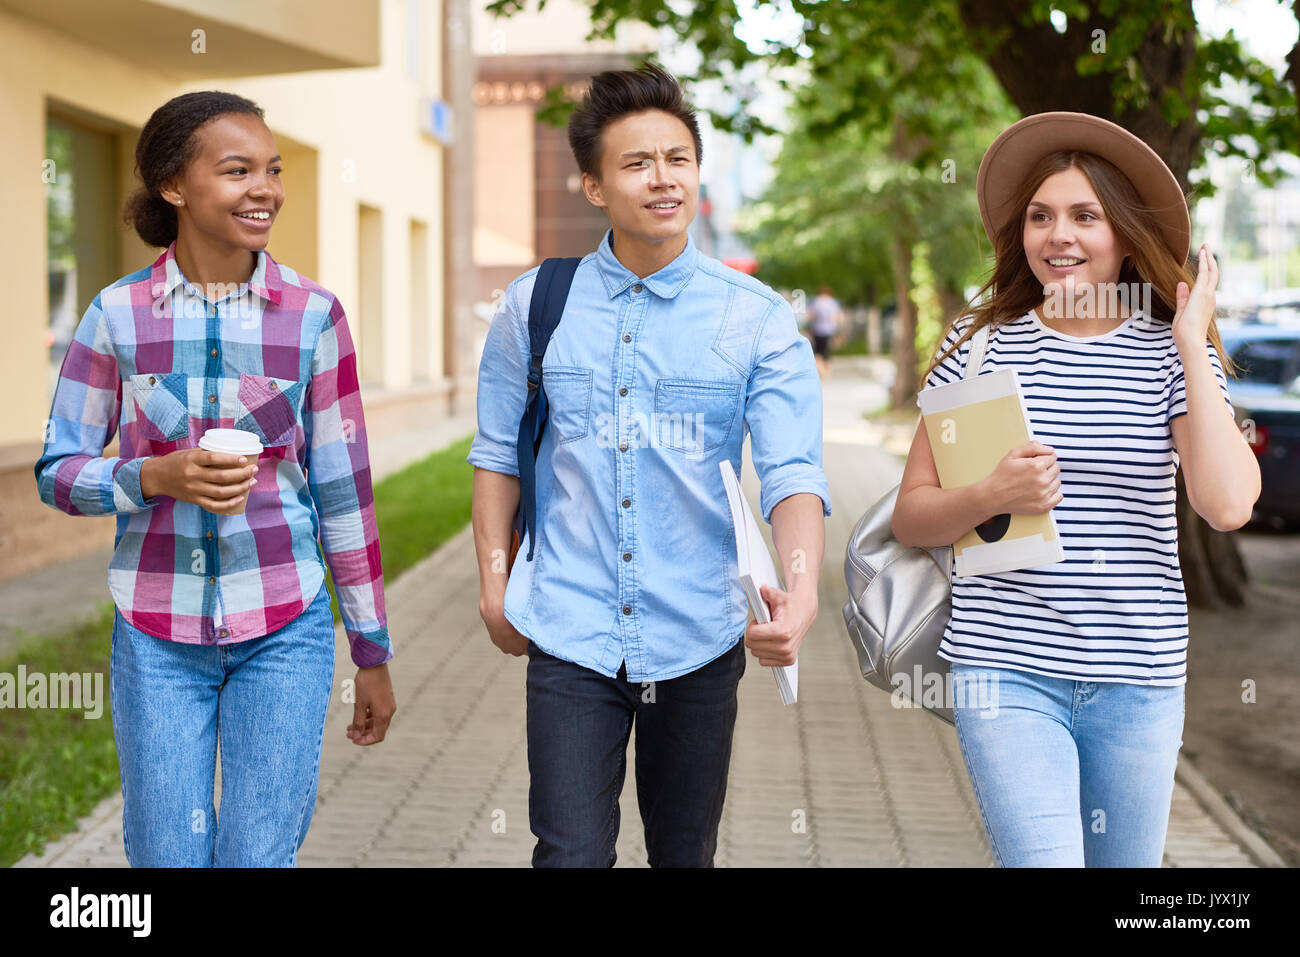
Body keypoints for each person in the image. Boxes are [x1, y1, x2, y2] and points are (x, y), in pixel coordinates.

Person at [468, 62, 831, 867]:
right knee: (566, 853)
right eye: (637, 163)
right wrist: (495, 583)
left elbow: (793, 473)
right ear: (594, 186)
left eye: (678, 158)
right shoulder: (535, 306)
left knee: (683, 852)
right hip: (569, 627)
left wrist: (800, 592)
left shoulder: (759, 319)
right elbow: (496, 454)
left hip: (698, 632)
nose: (663, 179)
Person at [34, 91, 397, 867]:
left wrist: (371, 648)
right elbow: (57, 471)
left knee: (255, 857)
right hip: (156, 631)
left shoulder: (312, 316)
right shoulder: (116, 315)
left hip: (285, 622)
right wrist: (153, 475)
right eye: (237, 171)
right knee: (166, 857)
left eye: (270, 170)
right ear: (174, 185)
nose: (264, 188)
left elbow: (343, 489)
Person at [893, 112, 1260, 867]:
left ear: (1124, 234)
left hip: (1138, 676)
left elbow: (1226, 505)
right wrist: (990, 492)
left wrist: (1192, 342)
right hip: (1005, 668)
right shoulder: (980, 344)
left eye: (1085, 215)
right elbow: (912, 515)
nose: (1059, 234)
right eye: (1040, 216)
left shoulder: (1169, 355)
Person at [807, 285, 843, 380]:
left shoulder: (816, 301)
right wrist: (838, 330)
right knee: (826, 352)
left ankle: (820, 371)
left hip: (817, 329)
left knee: (818, 352)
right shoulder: (832, 302)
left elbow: (811, 315)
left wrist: (809, 327)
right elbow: (837, 317)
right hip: (829, 330)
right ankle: (827, 372)